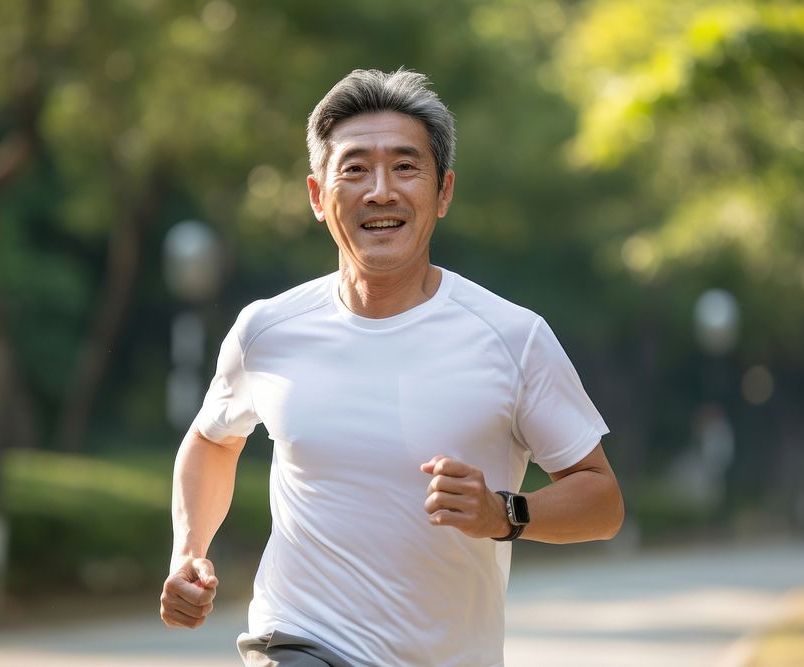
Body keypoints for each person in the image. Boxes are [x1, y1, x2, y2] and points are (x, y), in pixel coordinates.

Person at [159, 68, 624, 667]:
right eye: (354, 169)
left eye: (406, 167)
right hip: (299, 642)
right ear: (317, 197)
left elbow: (603, 501)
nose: (380, 191)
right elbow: (213, 441)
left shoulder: (512, 338)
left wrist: (501, 512)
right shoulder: (267, 330)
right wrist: (188, 553)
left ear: (444, 192)